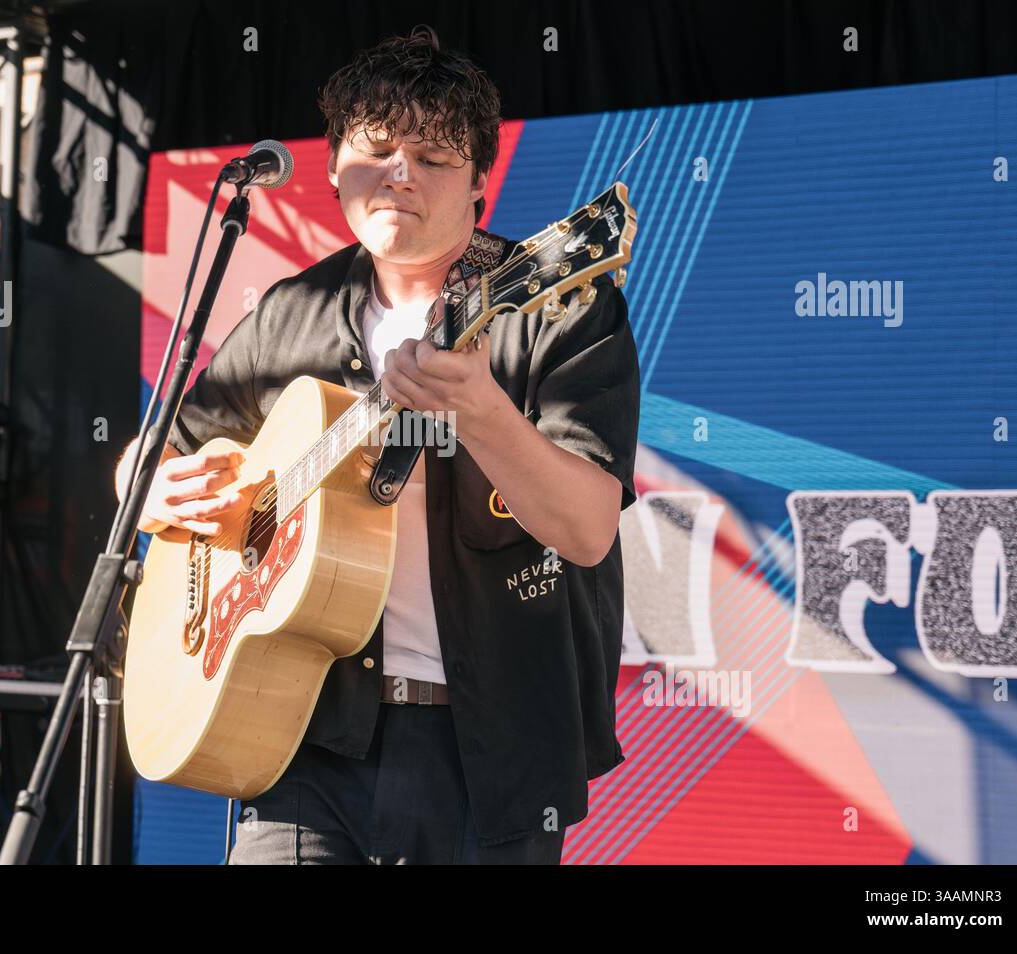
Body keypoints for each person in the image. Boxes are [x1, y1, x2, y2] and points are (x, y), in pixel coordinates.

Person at [114, 25, 640, 864]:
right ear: (332, 169)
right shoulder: (290, 312)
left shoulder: (561, 313)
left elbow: (586, 529)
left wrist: (484, 414)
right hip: (302, 736)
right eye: (379, 149)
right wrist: (152, 490)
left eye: (433, 156)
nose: (402, 173)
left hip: (489, 756)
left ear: (479, 184)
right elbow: (160, 453)